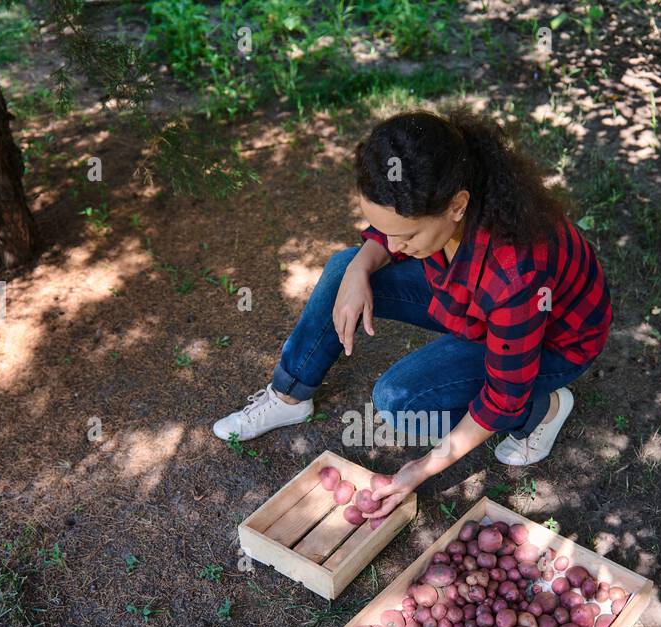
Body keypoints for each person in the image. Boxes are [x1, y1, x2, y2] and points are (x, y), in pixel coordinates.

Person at [213, 109, 614, 519]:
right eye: (383, 228)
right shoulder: (440, 190)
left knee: (399, 402)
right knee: (342, 269)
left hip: (549, 344)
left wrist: (421, 469)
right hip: (473, 304)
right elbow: (387, 234)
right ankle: (289, 395)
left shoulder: (514, 275)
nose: (394, 245)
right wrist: (357, 268)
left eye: (405, 236)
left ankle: (543, 409)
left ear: (457, 206)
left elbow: (502, 394)